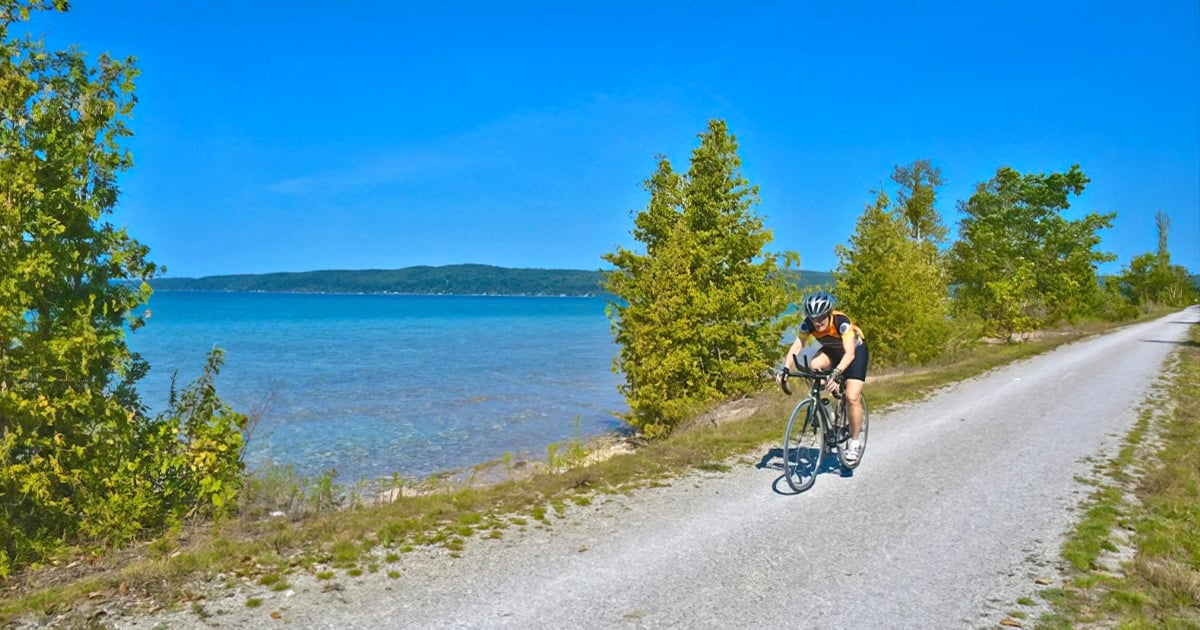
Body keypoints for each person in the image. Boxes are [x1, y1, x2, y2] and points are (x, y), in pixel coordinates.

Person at [776, 290, 869, 463]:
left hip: (855, 352)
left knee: (851, 397)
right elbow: (797, 346)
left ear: (828, 314)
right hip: (832, 352)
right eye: (813, 318)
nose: (817, 323)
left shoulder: (842, 322)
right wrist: (785, 368)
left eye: (820, 318)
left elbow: (849, 354)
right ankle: (826, 409)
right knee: (813, 366)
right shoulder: (808, 324)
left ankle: (855, 443)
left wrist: (835, 374)